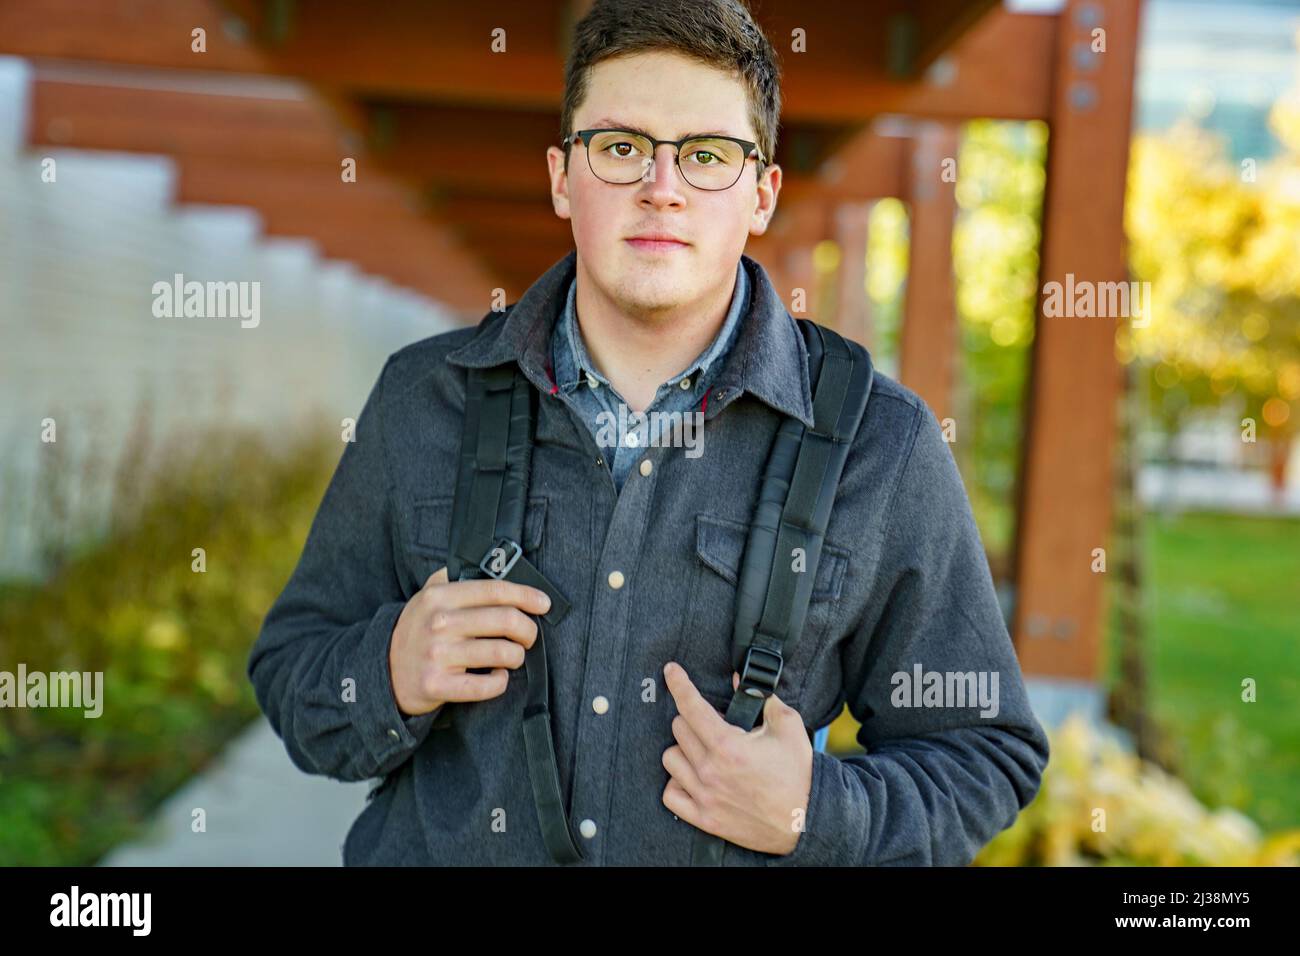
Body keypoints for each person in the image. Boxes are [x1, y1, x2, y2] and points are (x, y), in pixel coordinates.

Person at [247, 0, 1049, 866]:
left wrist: (815, 811)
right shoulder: (422, 396)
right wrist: (393, 668)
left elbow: (985, 752)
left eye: (706, 155)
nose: (660, 186)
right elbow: (294, 672)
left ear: (761, 194)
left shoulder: (878, 444)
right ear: (562, 177)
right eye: (620, 146)